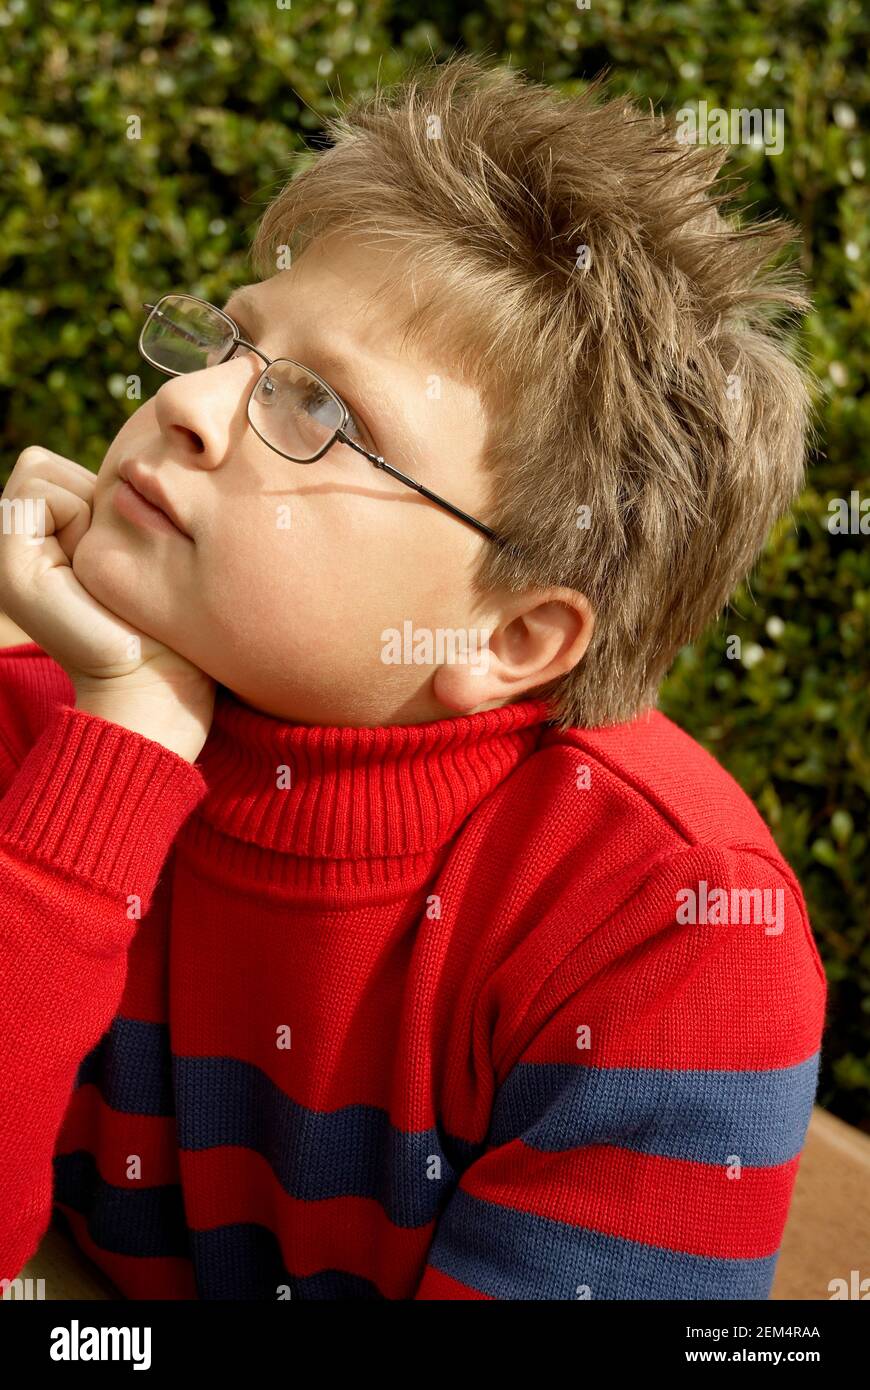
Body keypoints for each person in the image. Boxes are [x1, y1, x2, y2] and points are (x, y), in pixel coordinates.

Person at [0, 51, 826, 1299]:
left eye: (322, 412)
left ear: (511, 639)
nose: (193, 406)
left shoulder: (667, 923)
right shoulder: (51, 726)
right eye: (232, 343)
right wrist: (105, 770)